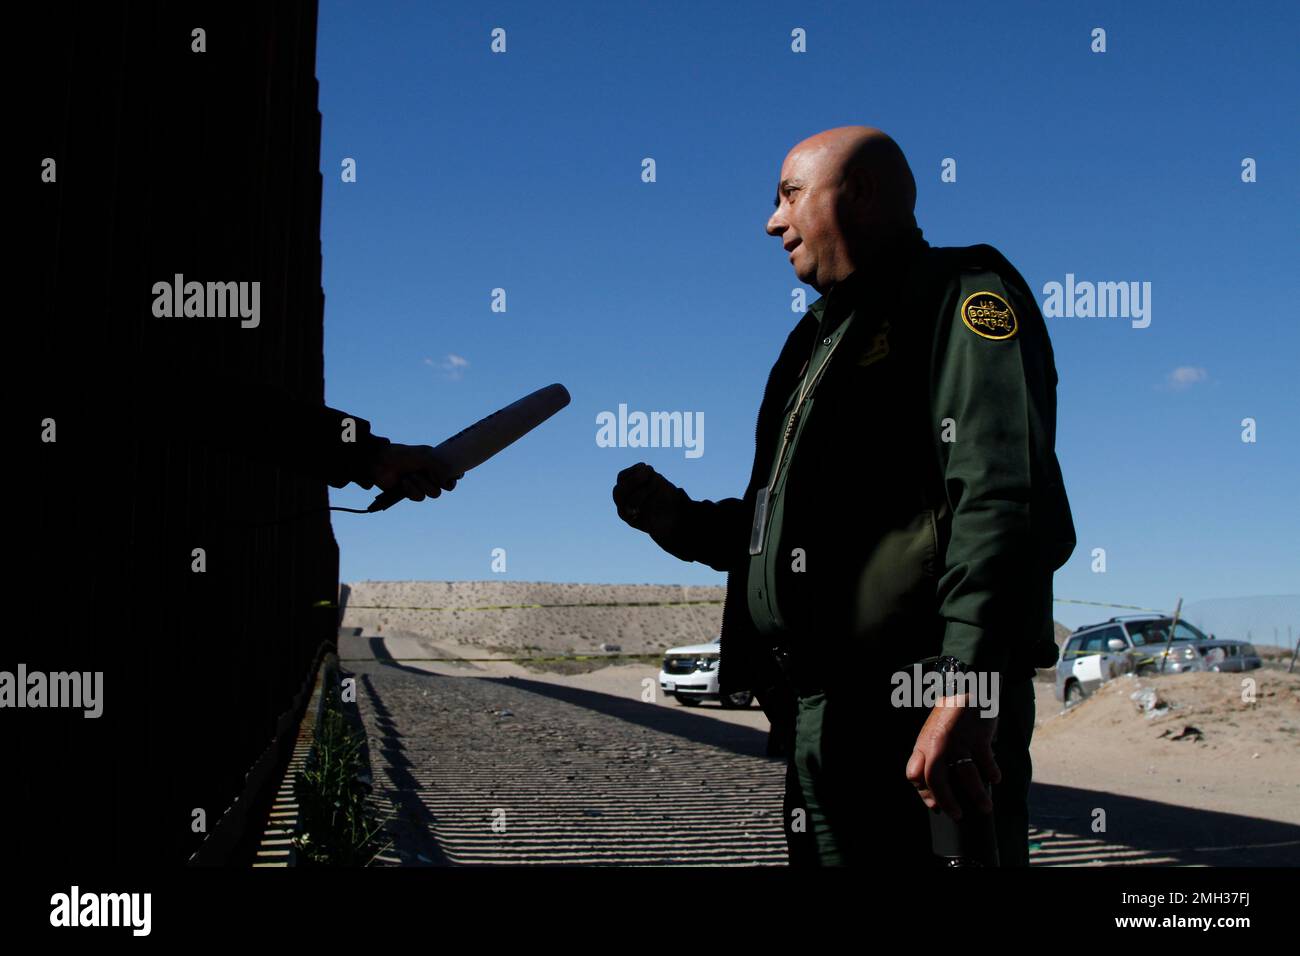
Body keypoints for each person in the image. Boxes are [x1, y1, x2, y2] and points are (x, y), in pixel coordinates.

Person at [613, 126, 1076, 866]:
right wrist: (677, 521)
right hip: (823, 714)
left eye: (790, 194)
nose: (772, 221)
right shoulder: (813, 344)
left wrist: (966, 683)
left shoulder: (957, 295)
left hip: (918, 698)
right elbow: (783, 527)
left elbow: (995, 495)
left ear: (857, 194)